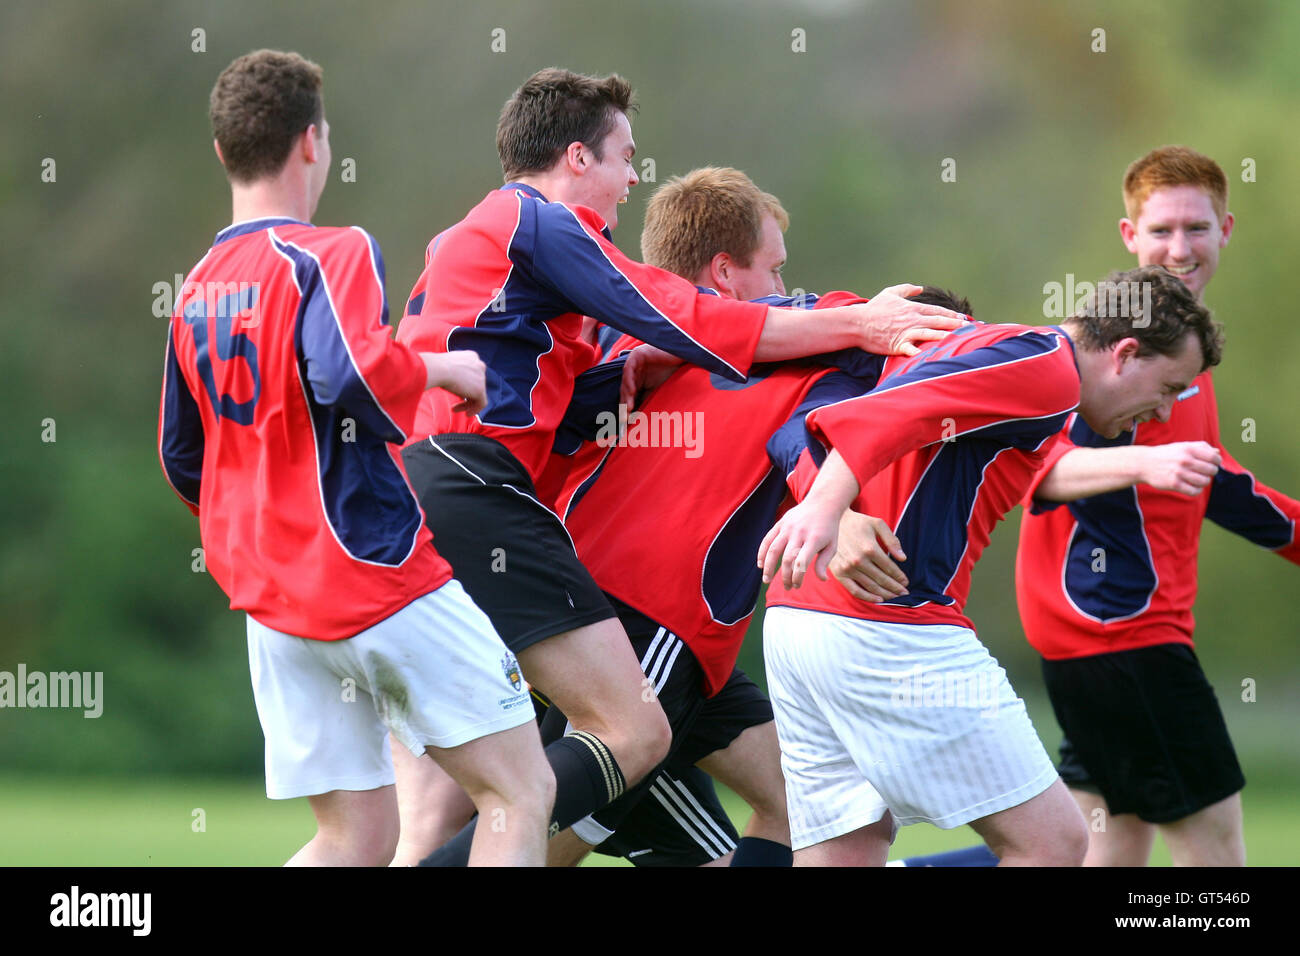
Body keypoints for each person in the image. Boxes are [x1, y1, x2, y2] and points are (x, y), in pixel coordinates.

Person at [399, 69, 965, 865]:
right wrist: (863, 322)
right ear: (577, 156)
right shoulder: (539, 222)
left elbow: (541, 400)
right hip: (503, 512)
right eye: (626, 156)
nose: (635, 177)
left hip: (454, 498)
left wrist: (617, 377)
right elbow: (680, 313)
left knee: (814, 813)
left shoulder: (494, 248)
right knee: (594, 760)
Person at [158, 49, 553, 866]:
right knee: (519, 789)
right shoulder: (328, 252)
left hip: (269, 602)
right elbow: (353, 376)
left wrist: (265, 519)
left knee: (355, 836)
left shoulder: (196, 284)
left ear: (224, 152)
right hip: (368, 574)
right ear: (312, 142)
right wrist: (444, 368)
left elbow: (181, 456)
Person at [757, 265, 1223, 866]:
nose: (1162, 414)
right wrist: (826, 508)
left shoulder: (982, 348)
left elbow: (798, 424)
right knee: (1054, 842)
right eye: (1168, 388)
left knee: (844, 855)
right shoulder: (1048, 366)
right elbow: (896, 411)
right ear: (1127, 353)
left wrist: (830, 509)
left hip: (798, 624)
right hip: (889, 624)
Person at [1015, 146, 1300, 866]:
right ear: (1128, 236)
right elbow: (1037, 469)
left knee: (1106, 851)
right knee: (1217, 863)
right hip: (1127, 643)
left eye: (1196, 229)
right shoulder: (1100, 353)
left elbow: (1219, 484)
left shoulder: (1183, 360)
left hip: (1100, 655)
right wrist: (1144, 459)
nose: (1180, 248)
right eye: (1162, 230)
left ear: (1226, 230)